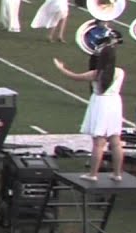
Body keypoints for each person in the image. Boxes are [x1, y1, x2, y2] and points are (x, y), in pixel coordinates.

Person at [54, 45, 125, 181]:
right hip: (115, 104)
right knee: (115, 141)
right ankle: (117, 174)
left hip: (100, 104)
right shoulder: (120, 72)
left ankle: (93, 174)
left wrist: (61, 68)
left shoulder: (95, 74)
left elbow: (74, 76)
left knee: (98, 143)